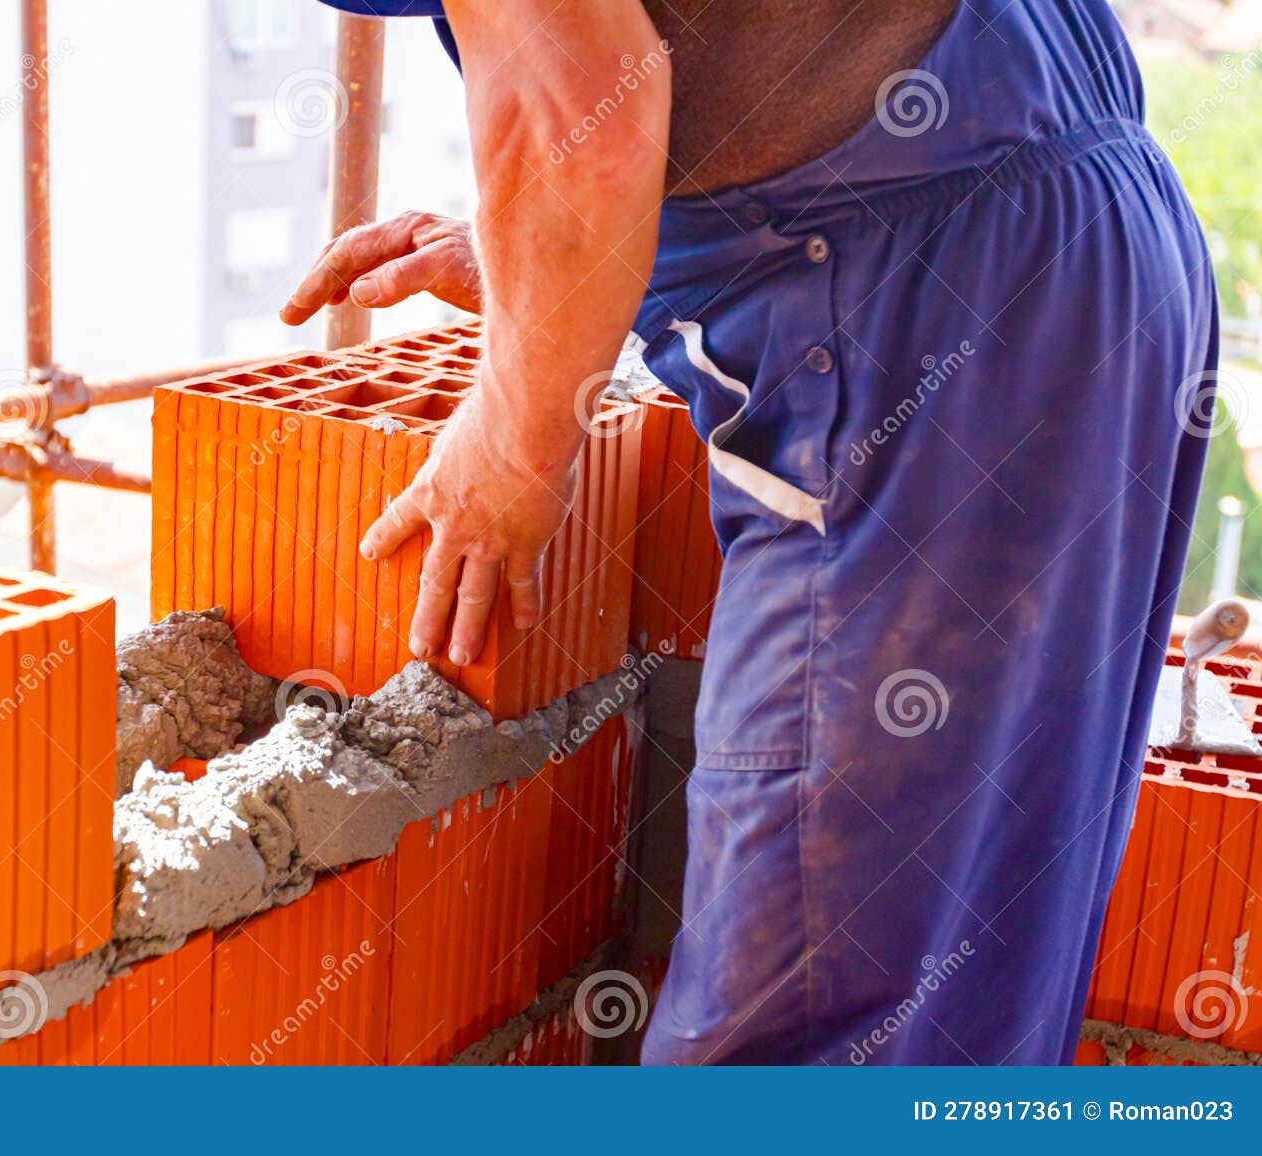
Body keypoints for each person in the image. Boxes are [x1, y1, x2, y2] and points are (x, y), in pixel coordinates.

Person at [283, 0, 1216, 1065]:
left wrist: (510, 444)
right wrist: (545, 254)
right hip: (1062, 216)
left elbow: (587, 115)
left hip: (929, 303)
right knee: (957, 985)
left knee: (809, 1029)